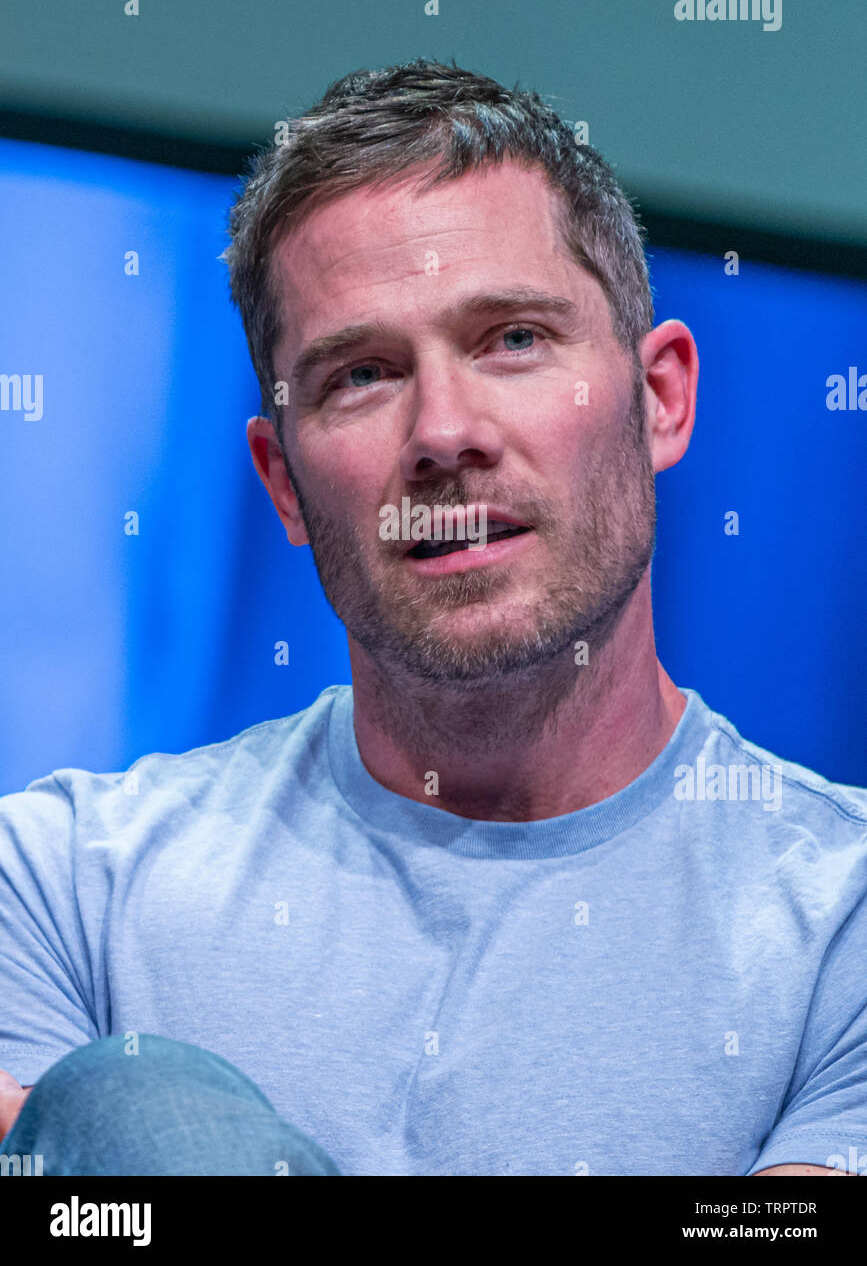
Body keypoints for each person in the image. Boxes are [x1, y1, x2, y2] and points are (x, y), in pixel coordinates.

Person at [1, 59, 865, 1177]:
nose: (444, 432)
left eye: (513, 338)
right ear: (283, 484)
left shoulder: (842, 923)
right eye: (361, 373)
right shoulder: (66, 886)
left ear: (661, 399)